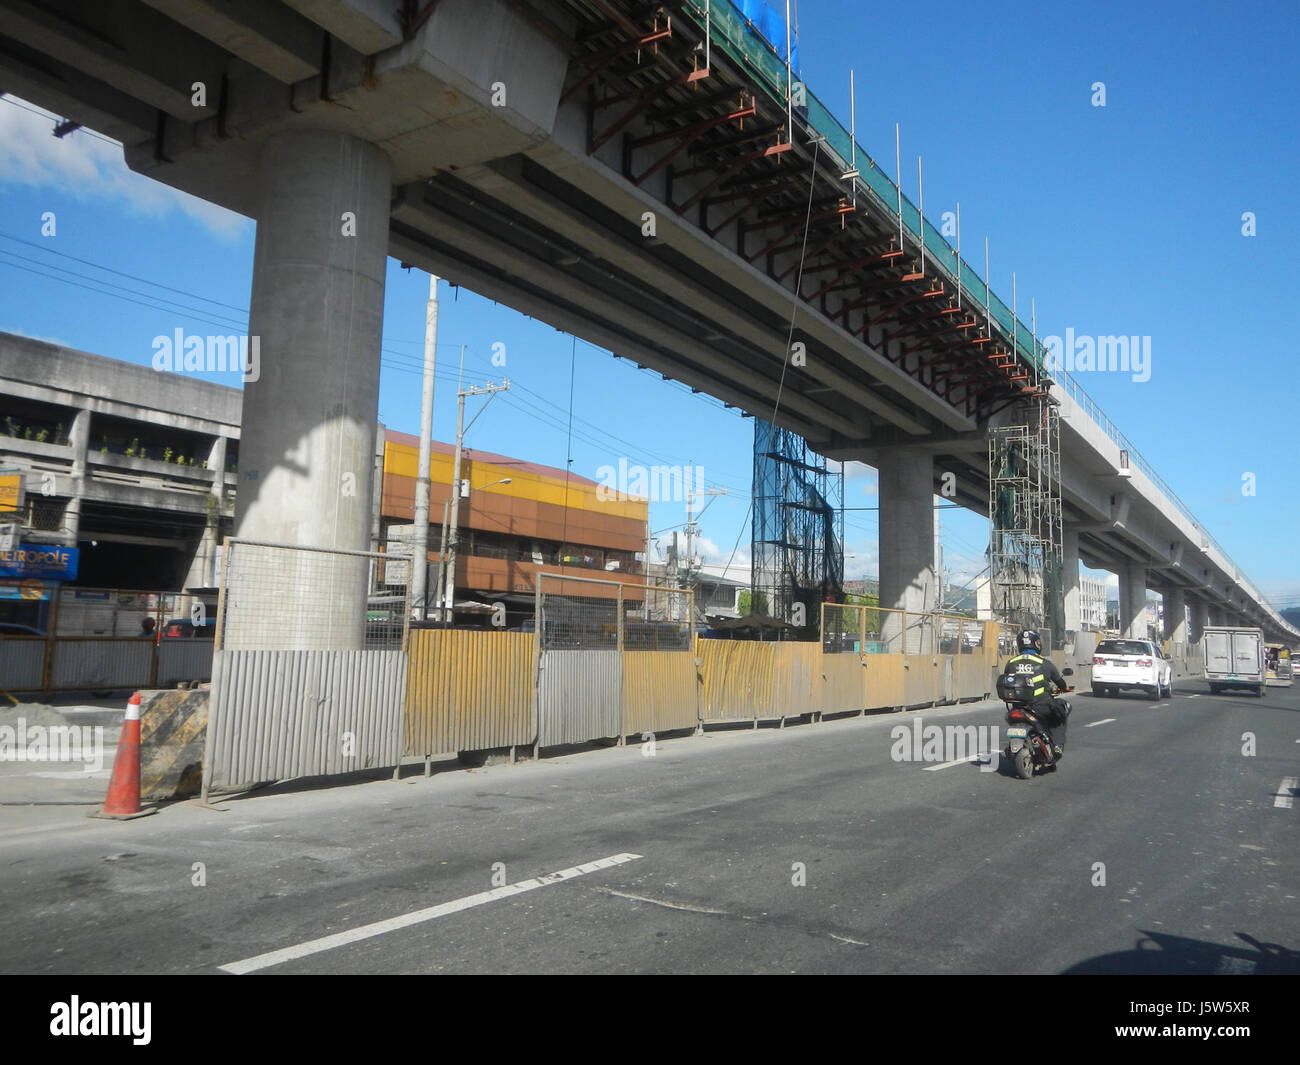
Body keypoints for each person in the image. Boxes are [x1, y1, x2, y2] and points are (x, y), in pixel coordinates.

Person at [1002, 629, 1071, 758]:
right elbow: (1060, 682)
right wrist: (1064, 687)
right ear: (1037, 643)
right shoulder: (1044, 663)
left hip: (1017, 707)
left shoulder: (1010, 663)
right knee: (1061, 711)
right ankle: (1056, 745)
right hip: (1041, 706)